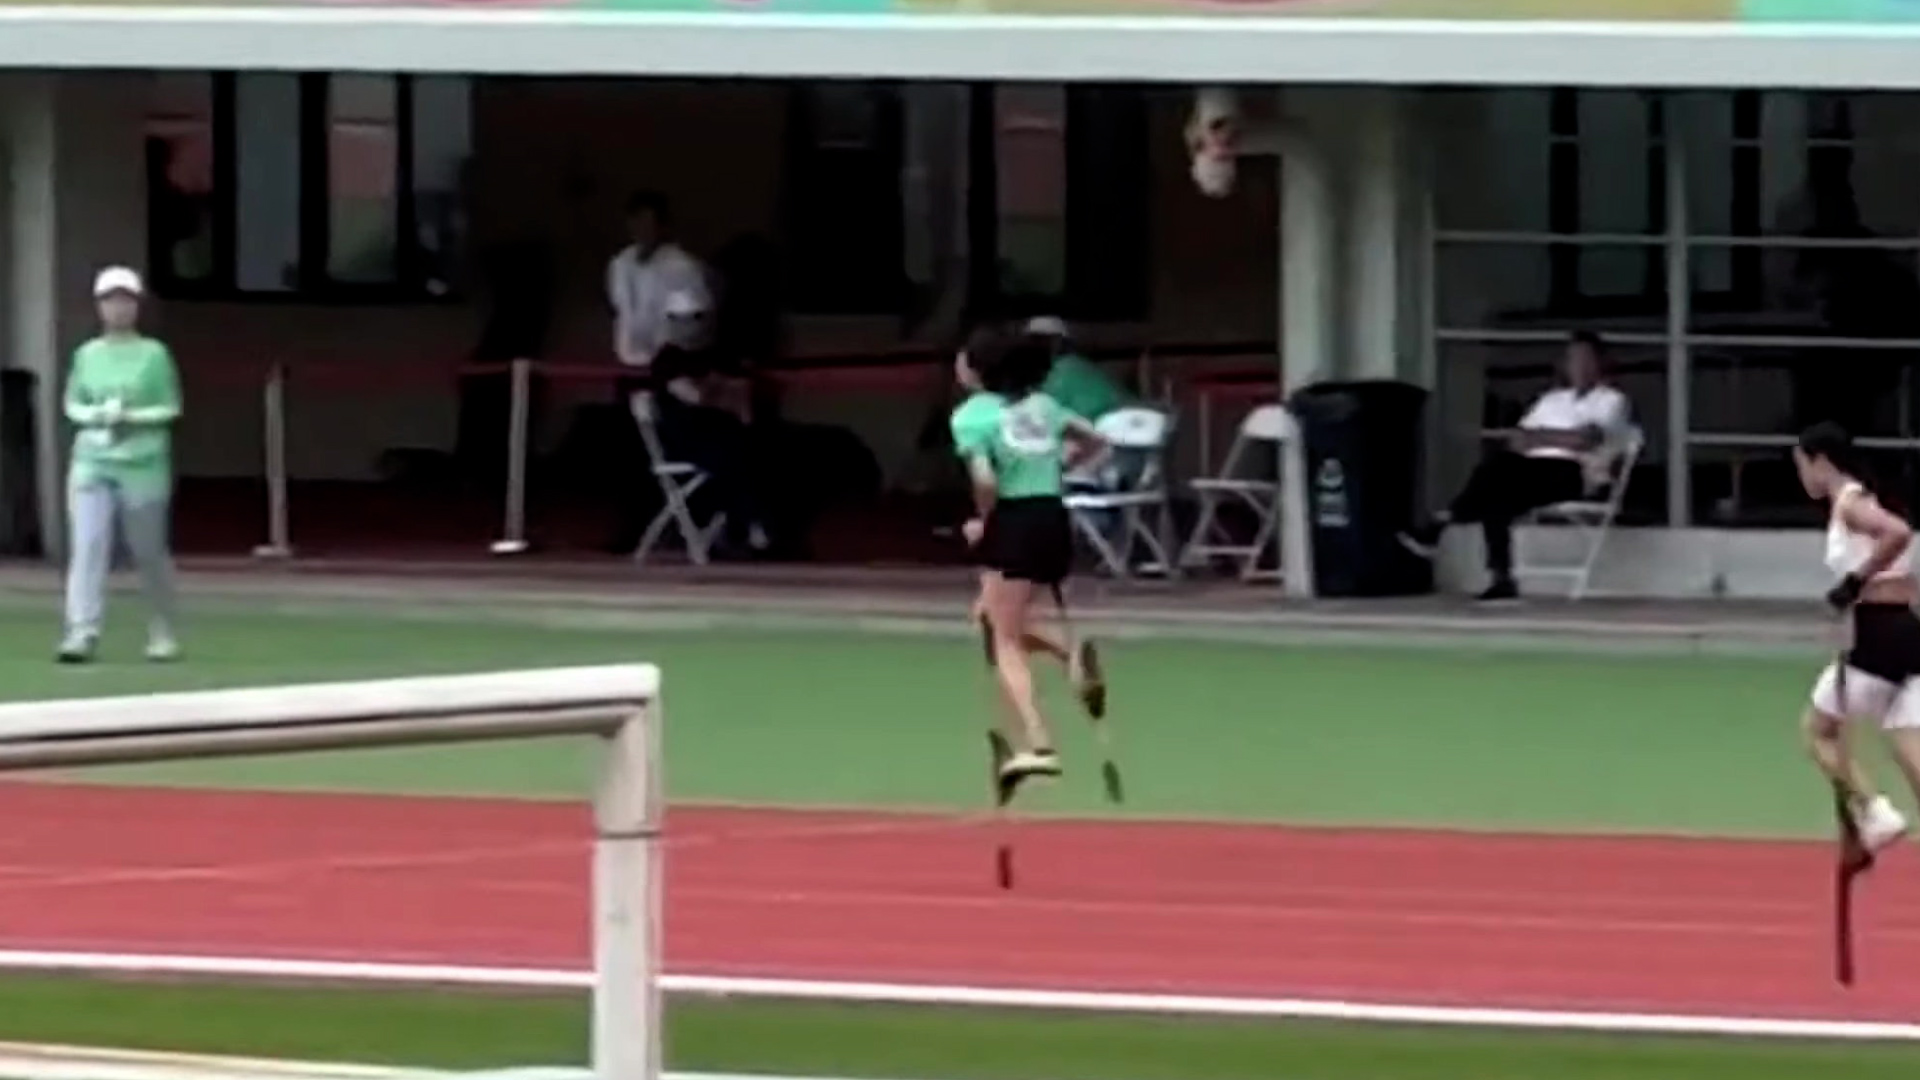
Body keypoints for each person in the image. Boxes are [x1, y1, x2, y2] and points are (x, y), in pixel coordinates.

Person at [951, 326, 1109, 790]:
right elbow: (1096, 440)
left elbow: (984, 479)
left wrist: (985, 523)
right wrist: (1059, 466)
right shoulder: (1044, 407)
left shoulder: (972, 417)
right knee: (995, 615)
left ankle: (1039, 745)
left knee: (1003, 639)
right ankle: (1073, 659)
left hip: (1014, 518)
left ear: (979, 370)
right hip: (1052, 516)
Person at [1399, 330, 1631, 602]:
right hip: (1529, 470)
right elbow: (1517, 440)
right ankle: (1501, 579)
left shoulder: (1611, 400)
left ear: (1600, 363)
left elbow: (1586, 441)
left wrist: (1542, 436)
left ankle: (1442, 524)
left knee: (1495, 481)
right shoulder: (1551, 400)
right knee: (1496, 487)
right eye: (1573, 358)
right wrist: (1555, 436)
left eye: (1586, 359)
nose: (1579, 365)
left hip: (1573, 473)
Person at [1796, 422, 1918, 855]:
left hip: (1880, 630)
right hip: (1902, 626)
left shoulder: (1851, 502)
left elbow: (1898, 533)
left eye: (1802, 466)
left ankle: (1876, 811)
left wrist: (1853, 583)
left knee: (1818, 730)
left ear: (1820, 462)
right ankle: (1876, 814)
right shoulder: (1863, 497)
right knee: (1907, 743)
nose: (1802, 478)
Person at [57, 266, 183, 664]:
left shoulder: (154, 354)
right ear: (99, 306)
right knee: (88, 546)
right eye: (110, 300)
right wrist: (96, 416)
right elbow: (72, 402)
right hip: (93, 461)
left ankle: (162, 627)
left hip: (142, 464)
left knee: (147, 550)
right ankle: (82, 631)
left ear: (137, 305)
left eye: (126, 300)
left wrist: (134, 418)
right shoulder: (88, 354)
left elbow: (170, 406)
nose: (118, 308)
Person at [605, 191, 710, 553]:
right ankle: (630, 526)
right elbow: (620, 312)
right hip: (629, 368)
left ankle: (683, 527)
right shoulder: (620, 264)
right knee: (626, 456)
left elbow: (689, 323)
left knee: (673, 450)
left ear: (663, 226)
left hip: (667, 373)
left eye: (649, 223)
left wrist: (666, 361)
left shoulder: (680, 267)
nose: (641, 230)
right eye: (635, 222)